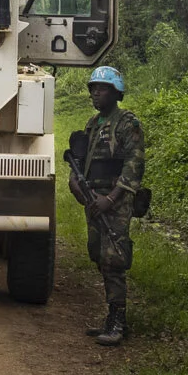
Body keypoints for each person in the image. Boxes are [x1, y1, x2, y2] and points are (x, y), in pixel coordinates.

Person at [68, 63, 144, 347]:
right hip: (94, 201)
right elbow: (81, 162)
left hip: (115, 200)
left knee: (114, 260)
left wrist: (110, 199)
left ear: (115, 93)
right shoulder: (93, 124)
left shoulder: (127, 123)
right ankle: (111, 316)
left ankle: (118, 321)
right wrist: (76, 185)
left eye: (101, 89)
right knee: (99, 255)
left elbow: (134, 166)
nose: (95, 94)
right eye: (93, 89)